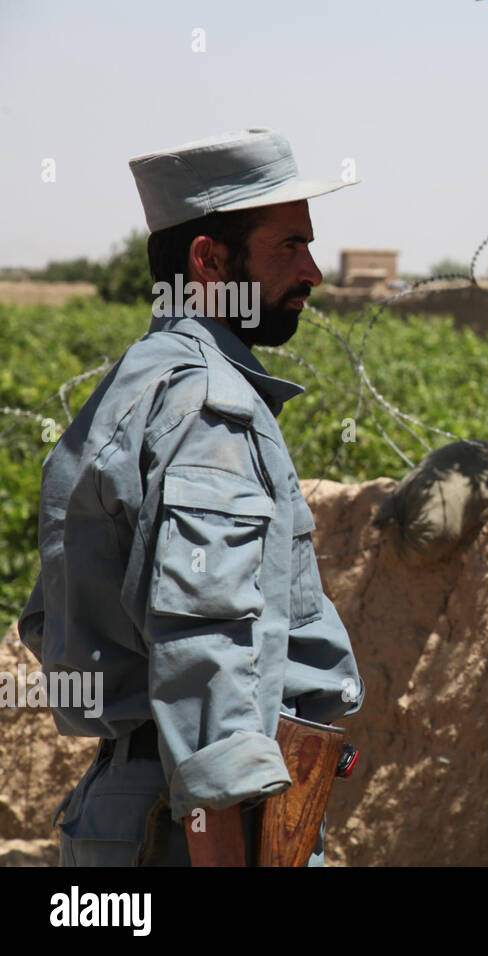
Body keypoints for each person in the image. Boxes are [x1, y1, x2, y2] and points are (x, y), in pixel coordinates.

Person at [17, 128, 365, 866]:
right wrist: (215, 841)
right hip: (196, 829)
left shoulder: (132, 389)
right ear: (209, 261)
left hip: (131, 808)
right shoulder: (209, 405)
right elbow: (204, 653)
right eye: (288, 248)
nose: (313, 272)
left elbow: (55, 619)